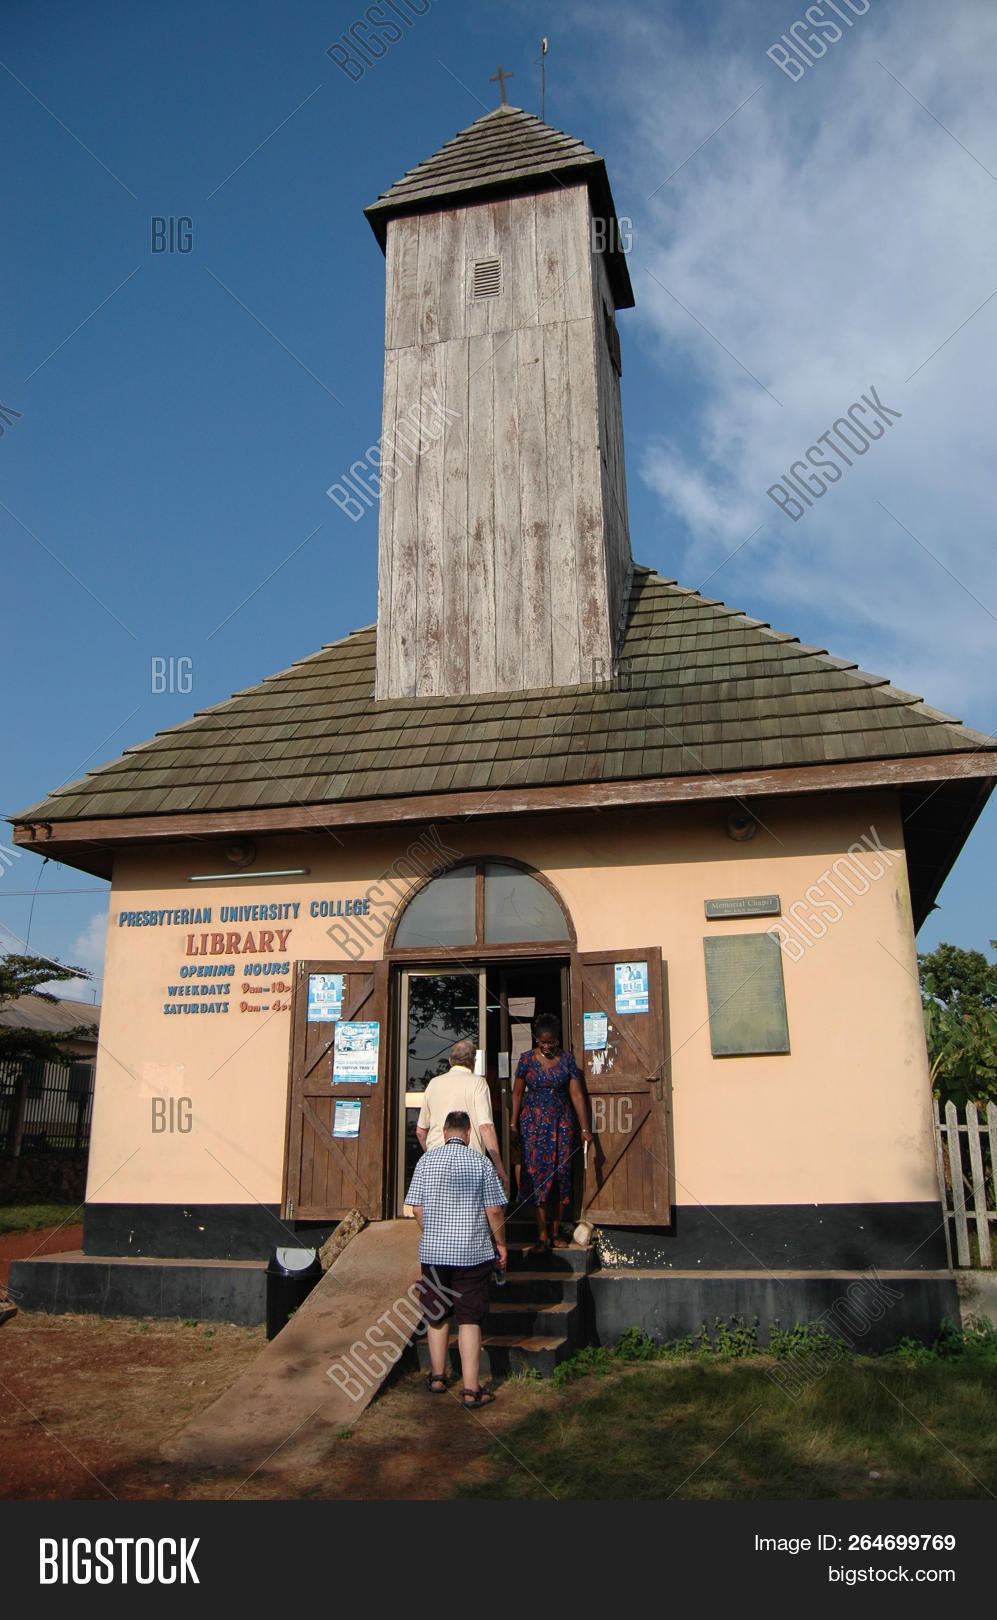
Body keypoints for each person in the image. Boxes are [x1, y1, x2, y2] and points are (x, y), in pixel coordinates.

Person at [405, 1110, 507, 1408]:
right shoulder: (481, 1163)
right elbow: (495, 1211)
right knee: (469, 1318)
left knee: (436, 1315)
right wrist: (500, 1244)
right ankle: (471, 1389)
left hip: (434, 1253)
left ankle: (437, 1377)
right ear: (468, 1133)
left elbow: (417, 1209)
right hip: (472, 1253)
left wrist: (434, 1232)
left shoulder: (426, 1161)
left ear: (445, 1132)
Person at [511, 1013, 592, 1251]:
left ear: (557, 1040)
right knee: (537, 1178)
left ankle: (556, 1232)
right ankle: (542, 1234)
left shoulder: (567, 1061)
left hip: (561, 1125)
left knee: (560, 1176)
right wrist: (513, 1124)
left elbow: (576, 1095)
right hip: (533, 1126)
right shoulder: (526, 1060)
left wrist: (585, 1127)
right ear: (537, 1039)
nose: (546, 1047)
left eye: (551, 1042)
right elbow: (517, 1093)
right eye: (542, 1042)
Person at [416, 1037, 507, 1189]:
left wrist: (431, 1153)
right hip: (470, 1159)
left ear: (450, 1061)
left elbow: (420, 1131)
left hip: (436, 1159)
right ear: (474, 1062)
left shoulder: (433, 1084)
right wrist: (499, 1166)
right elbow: (486, 1127)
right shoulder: (478, 1083)